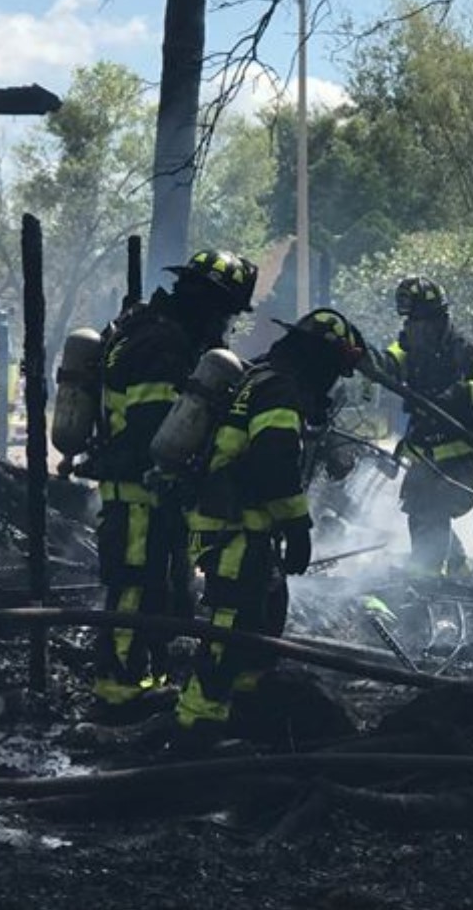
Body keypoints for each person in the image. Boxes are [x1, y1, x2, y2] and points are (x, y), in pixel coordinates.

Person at [171, 308, 368, 750]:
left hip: (237, 524)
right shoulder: (280, 392)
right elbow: (273, 464)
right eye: (335, 369)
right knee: (231, 627)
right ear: (320, 359)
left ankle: (241, 714)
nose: (333, 382)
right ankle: (196, 730)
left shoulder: (261, 377)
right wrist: (299, 528)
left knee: (264, 616)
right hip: (236, 528)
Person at [89, 250, 257, 719]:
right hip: (138, 492)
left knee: (154, 588)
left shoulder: (144, 326)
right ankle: (117, 689)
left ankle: (146, 679)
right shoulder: (164, 343)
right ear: (210, 303)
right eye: (225, 312)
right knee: (133, 585)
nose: (225, 324)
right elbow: (151, 426)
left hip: (143, 490)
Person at [382, 277, 473, 578]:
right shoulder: (408, 346)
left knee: (433, 513)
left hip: (460, 456)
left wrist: (462, 394)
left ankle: (426, 581)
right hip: (423, 454)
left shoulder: (468, 349)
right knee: (418, 513)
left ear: (439, 319)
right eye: (410, 321)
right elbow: (388, 362)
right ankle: (457, 567)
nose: (413, 328)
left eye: (419, 321)